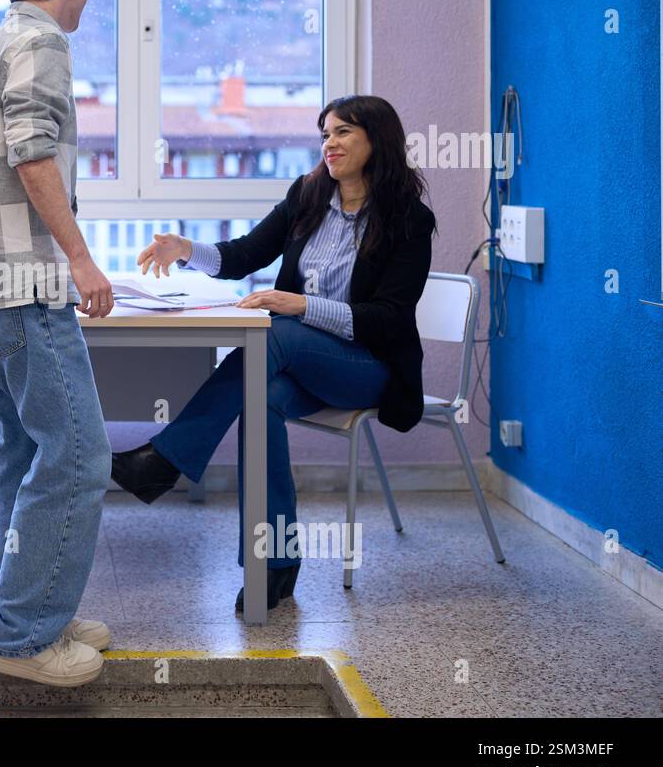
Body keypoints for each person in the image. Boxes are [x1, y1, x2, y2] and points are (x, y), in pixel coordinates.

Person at [111, 95, 436, 613]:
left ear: (379, 140)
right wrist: (186, 250)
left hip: (367, 366)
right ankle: (274, 564)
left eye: (344, 132)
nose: (330, 143)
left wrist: (302, 304)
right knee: (258, 398)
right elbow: (244, 255)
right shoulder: (307, 196)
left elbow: (390, 318)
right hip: (300, 361)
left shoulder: (408, 220)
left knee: (273, 333)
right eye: (325, 133)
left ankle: (165, 458)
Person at [0, 0, 116, 687]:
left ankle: (33, 604)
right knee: (79, 455)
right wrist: (81, 260)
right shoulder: (44, 41)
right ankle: (20, 635)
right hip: (22, 285)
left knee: (19, 457)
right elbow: (32, 149)